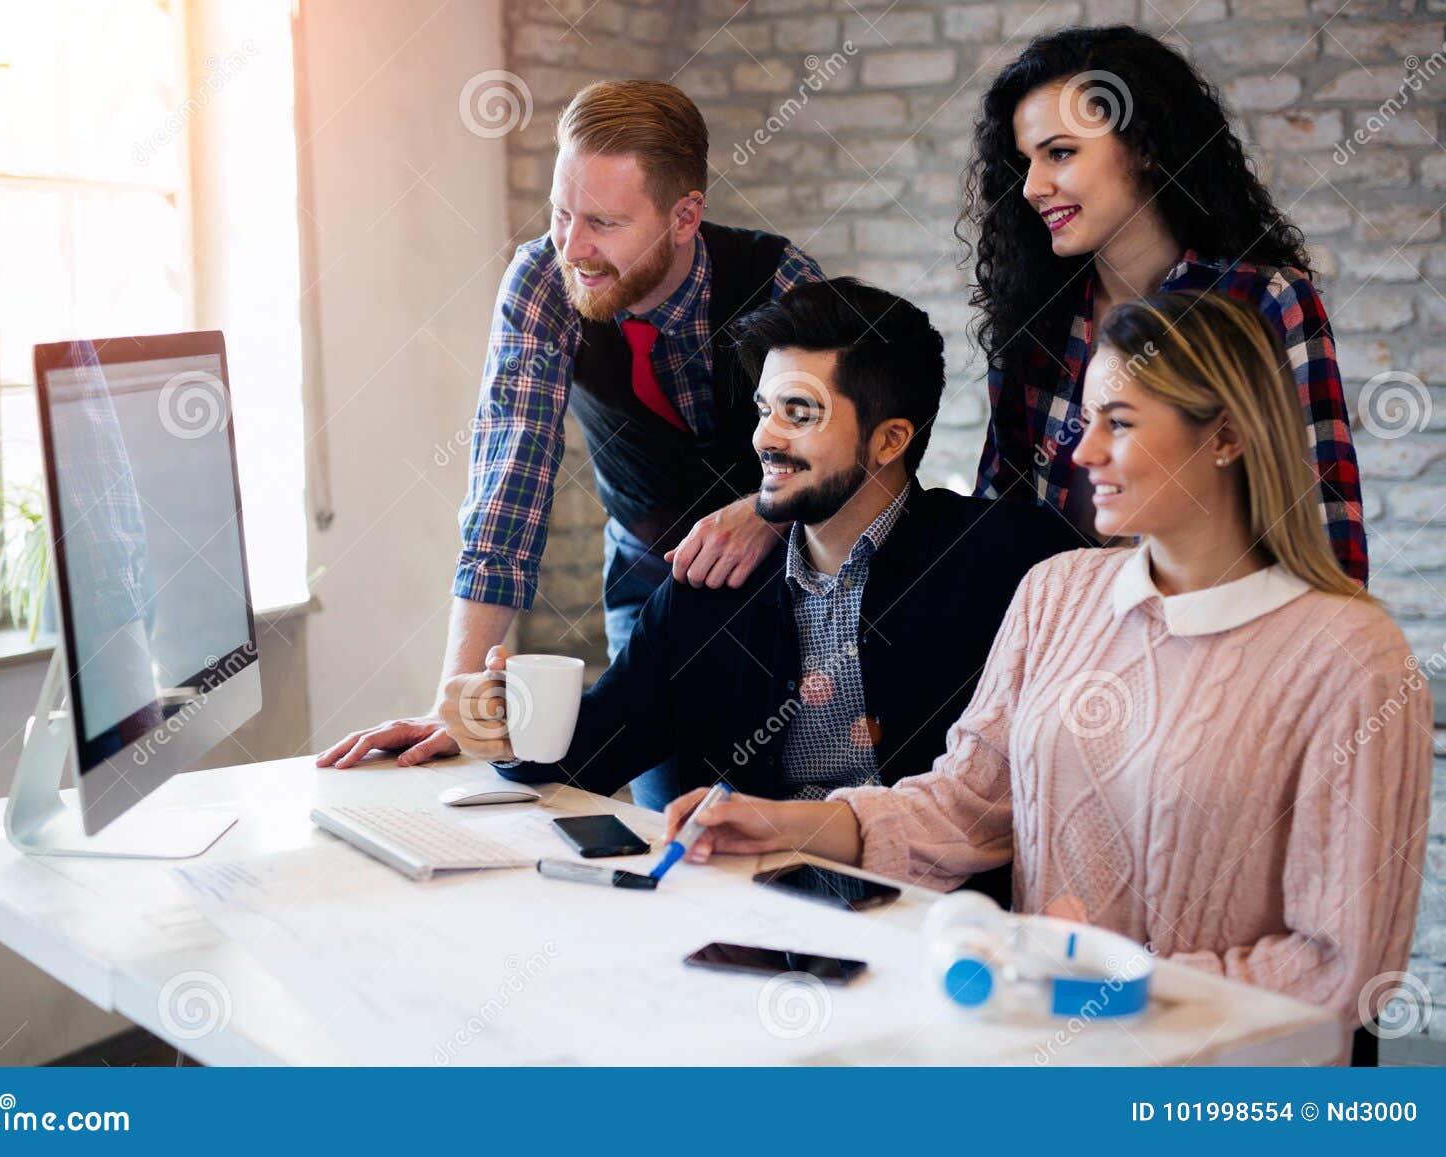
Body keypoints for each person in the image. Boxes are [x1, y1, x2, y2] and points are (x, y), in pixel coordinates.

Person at [667, 292, 1429, 1059]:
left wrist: (1099, 992)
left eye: (1119, 422)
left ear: (1227, 434)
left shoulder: (1350, 656)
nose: (1083, 452)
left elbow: (1340, 962)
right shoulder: (1057, 592)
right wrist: (779, 822)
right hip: (1042, 1052)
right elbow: (966, 803)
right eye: (1089, 419)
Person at [441, 278, 1089, 908]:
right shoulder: (711, 585)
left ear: (890, 439)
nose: (765, 437)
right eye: (764, 409)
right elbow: (593, 749)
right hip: (754, 911)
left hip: (941, 925)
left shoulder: (1008, 562)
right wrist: (507, 724)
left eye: (799, 413)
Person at [318, 80, 824, 809]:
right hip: (652, 583)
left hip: (792, 581)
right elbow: (508, 484)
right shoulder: (542, 284)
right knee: (669, 822)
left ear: (685, 217)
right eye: (561, 214)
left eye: (604, 223)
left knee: (778, 815)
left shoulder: (779, 283)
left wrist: (768, 509)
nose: (574, 247)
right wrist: (454, 702)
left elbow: (855, 449)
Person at [965, 25, 1366, 581]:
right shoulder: (1036, 316)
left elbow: (1326, 532)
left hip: (1231, 648)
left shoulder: (1264, 301)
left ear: (1146, 148)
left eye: (1059, 153)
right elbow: (998, 522)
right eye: (1024, 162)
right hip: (1065, 649)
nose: (1032, 186)